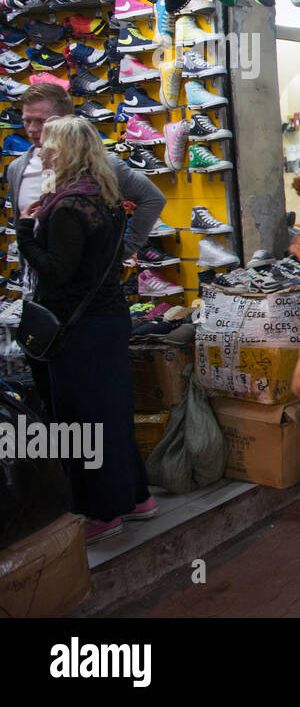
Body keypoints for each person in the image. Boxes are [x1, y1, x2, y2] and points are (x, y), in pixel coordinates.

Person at [16, 116, 155, 544]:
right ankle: (135, 498)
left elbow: (57, 273)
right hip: (107, 318)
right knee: (111, 414)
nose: (41, 150)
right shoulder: (105, 197)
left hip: (78, 327)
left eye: (49, 144)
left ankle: (101, 510)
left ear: (66, 150)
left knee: (81, 420)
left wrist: (25, 231)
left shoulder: (68, 206)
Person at [7, 84, 164, 258]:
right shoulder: (17, 169)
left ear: (66, 120)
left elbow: (153, 198)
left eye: (41, 121)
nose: (32, 129)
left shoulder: (103, 163)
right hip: (36, 280)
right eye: (27, 120)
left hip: (88, 281)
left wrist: (123, 250)